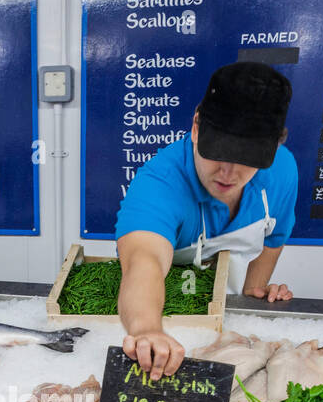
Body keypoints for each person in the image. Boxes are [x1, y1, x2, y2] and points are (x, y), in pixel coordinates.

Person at [115, 61, 298, 378]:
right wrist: (147, 329)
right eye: (219, 153)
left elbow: (272, 240)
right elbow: (143, 260)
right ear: (197, 126)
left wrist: (255, 292)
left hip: (224, 330)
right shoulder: (160, 182)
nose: (229, 174)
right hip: (164, 322)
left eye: (247, 160)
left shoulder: (282, 170)